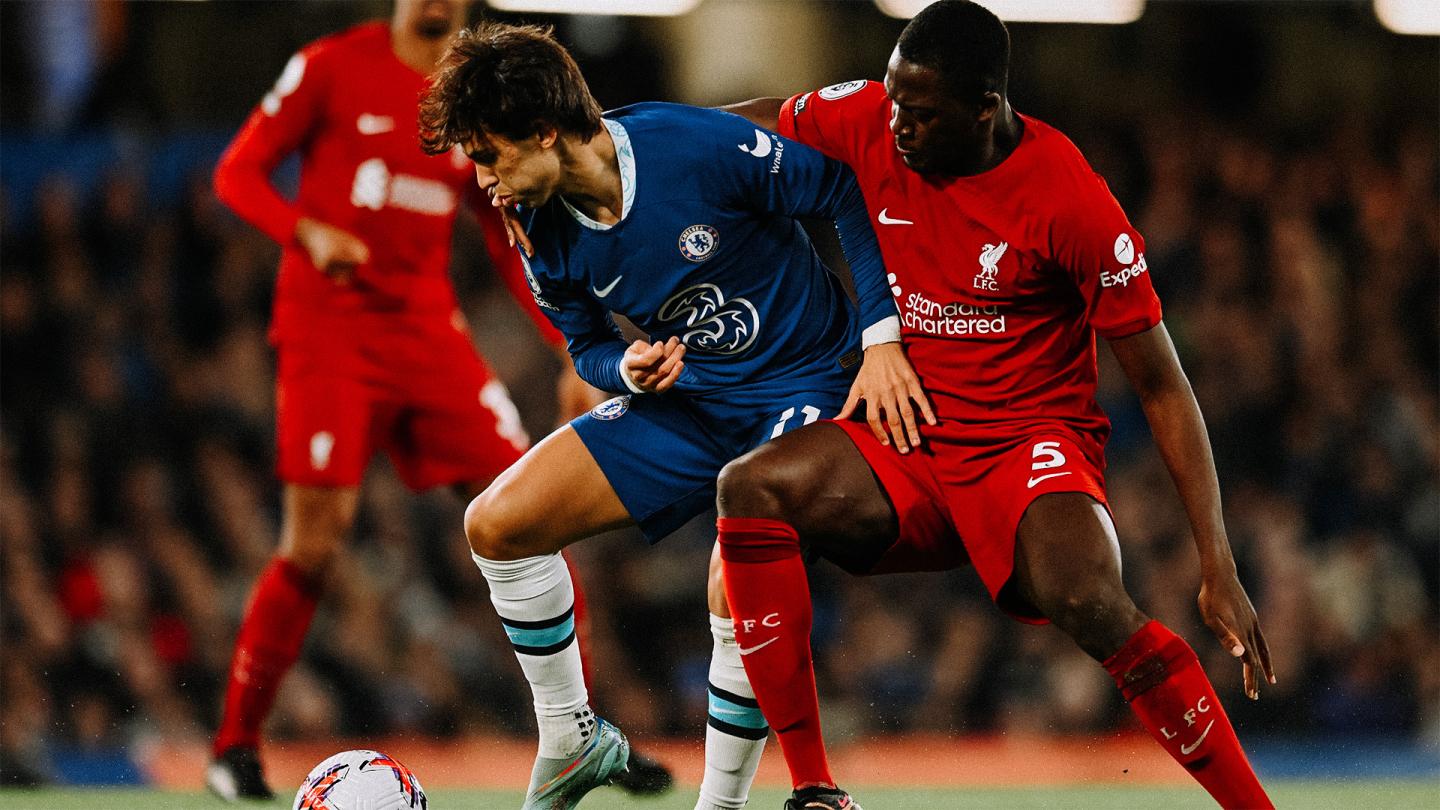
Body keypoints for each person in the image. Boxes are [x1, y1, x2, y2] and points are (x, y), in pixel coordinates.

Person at [715, 2, 1276, 808]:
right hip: (912, 434)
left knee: (1089, 600)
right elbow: (750, 127)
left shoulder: (1069, 199)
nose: (899, 125)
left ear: (987, 108)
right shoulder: (875, 117)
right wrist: (632, 143)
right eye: (894, 100)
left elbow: (1162, 384)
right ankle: (815, 792)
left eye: (923, 112)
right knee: (751, 486)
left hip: (1028, 444)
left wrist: (1217, 564)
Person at [418, 20, 930, 810]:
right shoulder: (538, 225)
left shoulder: (687, 146)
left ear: (546, 131)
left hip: (801, 387)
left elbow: (840, 187)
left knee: (737, 581)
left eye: (489, 154)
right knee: (496, 525)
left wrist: (882, 335)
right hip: (691, 403)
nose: (482, 180)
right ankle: (571, 737)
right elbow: (583, 340)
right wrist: (621, 366)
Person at [203, 0, 674, 800]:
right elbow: (236, 173)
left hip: (428, 335)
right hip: (331, 332)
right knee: (316, 543)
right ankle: (235, 746)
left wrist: (565, 342)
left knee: (536, 511)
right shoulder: (332, 67)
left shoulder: (472, 95)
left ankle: (582, 735)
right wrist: (303, 232)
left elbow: (499, 230)